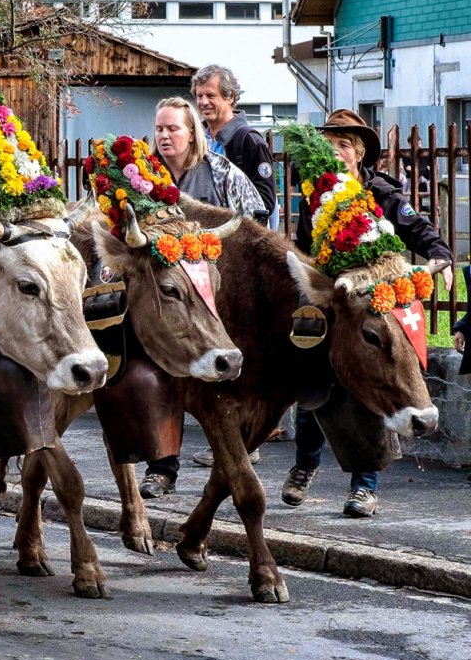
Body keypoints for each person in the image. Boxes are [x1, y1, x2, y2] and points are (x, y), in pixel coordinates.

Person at [283, 108, 453, 518]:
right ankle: (305, 464)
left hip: (374, 310)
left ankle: (364, 487)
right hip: (333, 305)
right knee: (313, 390)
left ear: (359, 153)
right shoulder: (314, 195)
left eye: (343, 144)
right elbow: (305, 248)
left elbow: (421, 231)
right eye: (329, 145)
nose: (336, 152)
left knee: (373, 391)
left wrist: (441, 257)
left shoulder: (380, 192)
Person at [137, 96, 268, 500]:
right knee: (160, 376)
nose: (164, 135)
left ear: (192, 133)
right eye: (159, 128)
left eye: (172, 128)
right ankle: (161, 467)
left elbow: (255, 222)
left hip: (218, 294)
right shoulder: (144, 177)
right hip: (165, 297)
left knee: (219, 385)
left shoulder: (221, 173)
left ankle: (235, 458)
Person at [192, 64, 278, 227]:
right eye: (199, 95)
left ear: (230, 96)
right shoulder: (196, 139)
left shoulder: (249, 141)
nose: (203, 102)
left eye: (210, 95)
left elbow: (265, 203)